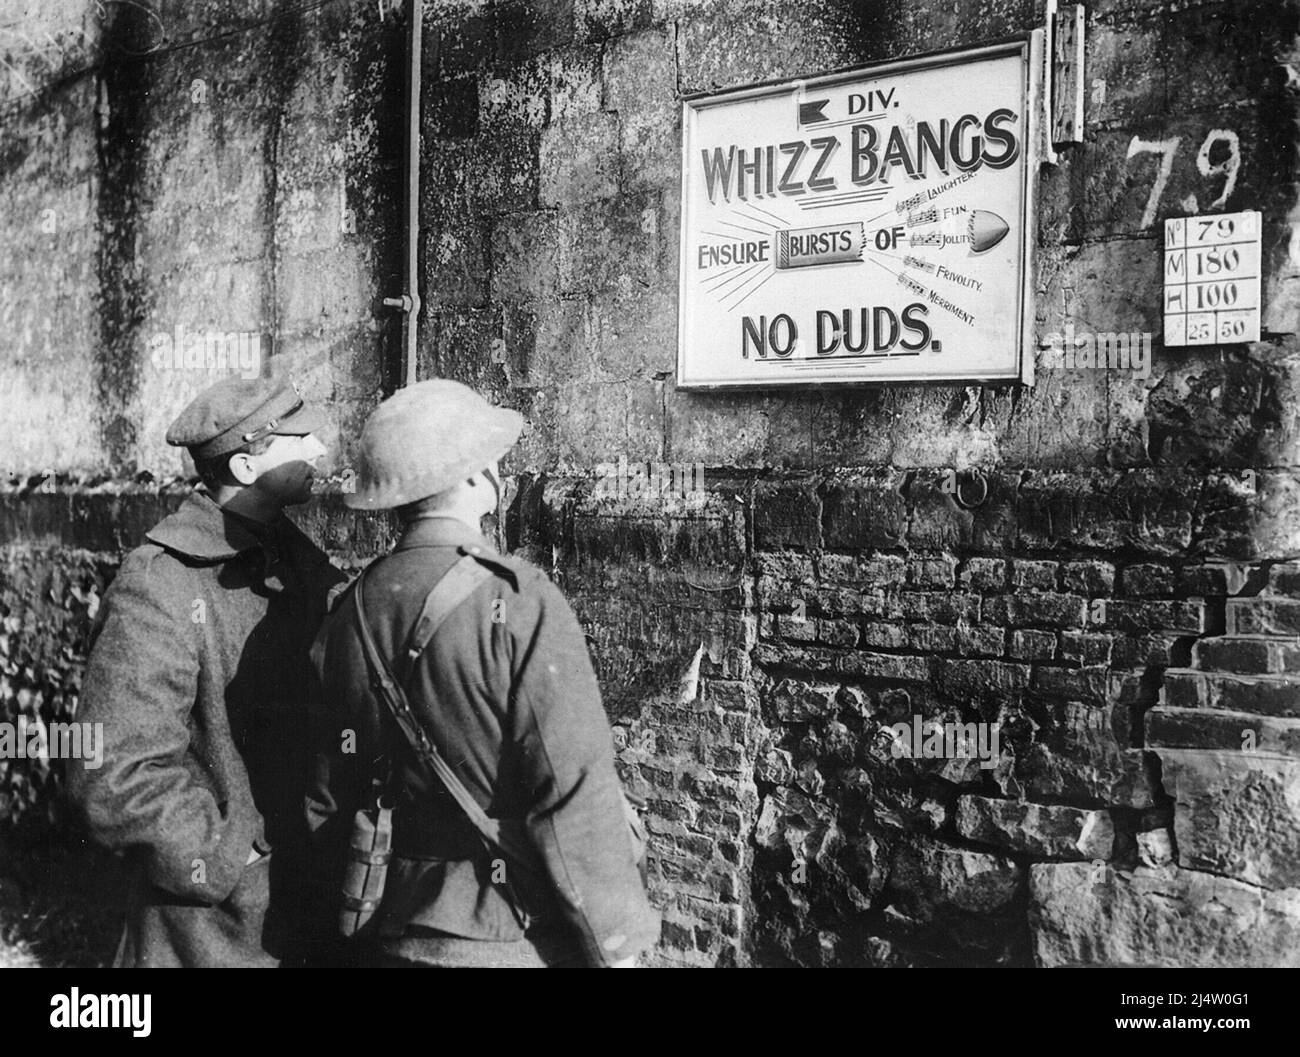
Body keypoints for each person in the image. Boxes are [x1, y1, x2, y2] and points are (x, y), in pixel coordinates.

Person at [307, 379, 659, 967]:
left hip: (391, 930)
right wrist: (615, 947)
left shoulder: (347, 615)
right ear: (474, 477)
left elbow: (327, 799)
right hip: (509, 936)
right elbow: (573, 791)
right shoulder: (519, 601)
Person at [68, 378, 345, 967]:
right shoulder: (161, 584)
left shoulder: (300, 563)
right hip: (210, 932)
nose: (319, 450)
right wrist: (226, 854)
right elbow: (112, 773)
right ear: (246, 466)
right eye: (300, 440)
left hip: (303, 912)